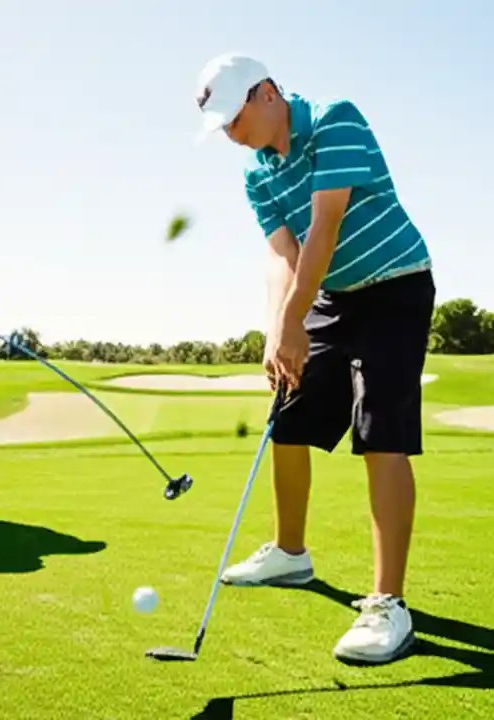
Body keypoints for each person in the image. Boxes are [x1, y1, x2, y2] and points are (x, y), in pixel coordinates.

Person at [193, 53, 436, 665]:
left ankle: (388, 604)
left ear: (268, 92)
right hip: (330, 293)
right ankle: (290, 553)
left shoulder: (335, 121)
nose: (231, 134)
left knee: (381, 432)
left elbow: (325, 226)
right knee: (289, 413)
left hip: (394, 285)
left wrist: (296, 316)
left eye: (234, 118)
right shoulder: (257, 174)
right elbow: (283, 254)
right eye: (221, 125)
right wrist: (279, 330)